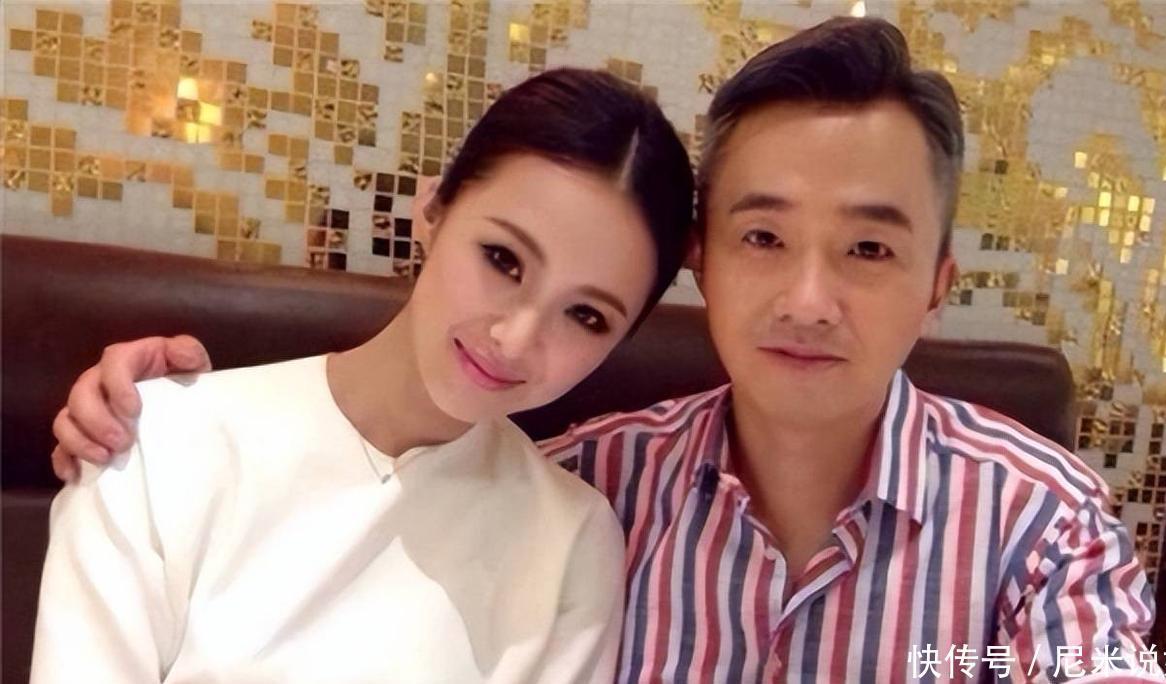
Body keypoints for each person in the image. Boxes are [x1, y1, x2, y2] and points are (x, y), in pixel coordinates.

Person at [47, 17, 1164, 683]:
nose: (809, 299)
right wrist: (149, 424)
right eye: (765, 237)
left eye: (869, 248)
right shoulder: (605, 482)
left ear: (937, 288)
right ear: (705, 265)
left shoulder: (1038, 522)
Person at [31, 67, 695, 683]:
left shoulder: (571, 543)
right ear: (433, 211)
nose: (516, 339)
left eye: (586, 316)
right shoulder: (158, 444)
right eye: (503, 259)